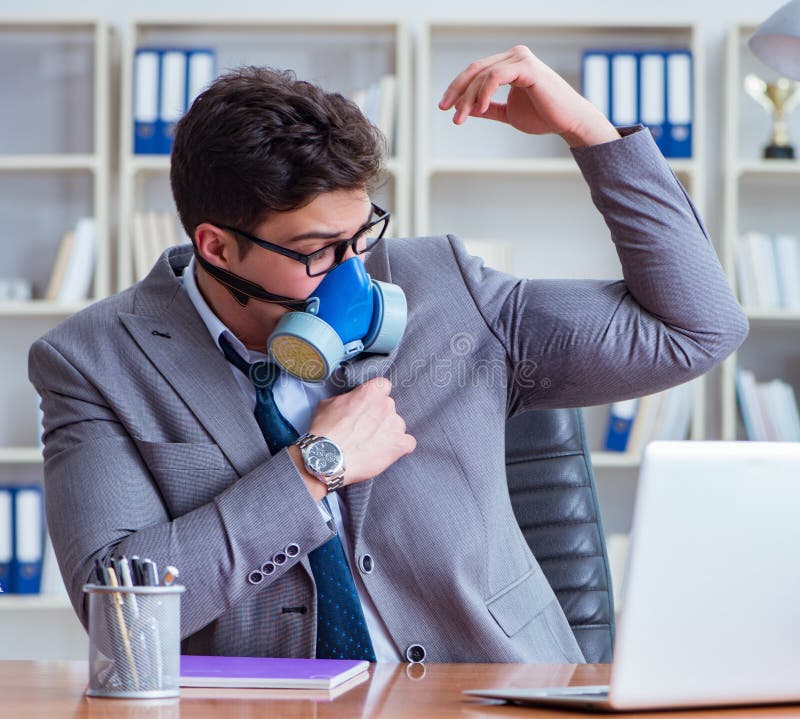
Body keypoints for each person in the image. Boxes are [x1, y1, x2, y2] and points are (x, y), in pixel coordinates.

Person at [29, 46, 747, 663]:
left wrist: (590, 133)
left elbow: (696, 330)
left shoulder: (441, 286)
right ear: (216, 245)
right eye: (318, 251)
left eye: (361, 233)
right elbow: (116, 609)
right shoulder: (95, 360)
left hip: (493, 690)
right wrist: (311, 469)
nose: (354, 271)